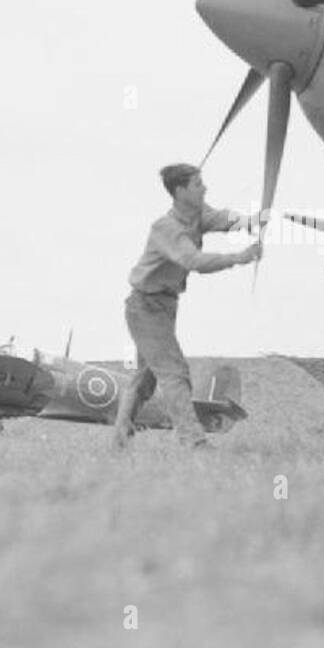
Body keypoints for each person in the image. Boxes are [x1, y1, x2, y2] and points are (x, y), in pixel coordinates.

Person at [112, 164, 262, 448]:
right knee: (175, 373)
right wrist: (239, 257)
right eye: (197, 184)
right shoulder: (165, 228)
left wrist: (255, 221)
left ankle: (118, 442)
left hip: (164, 306)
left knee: (144, 380)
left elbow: (226, 220)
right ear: (180, 191)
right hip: (145, 308)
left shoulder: (198, 214)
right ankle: (194, 441)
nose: (204, 188)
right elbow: (193, 261)